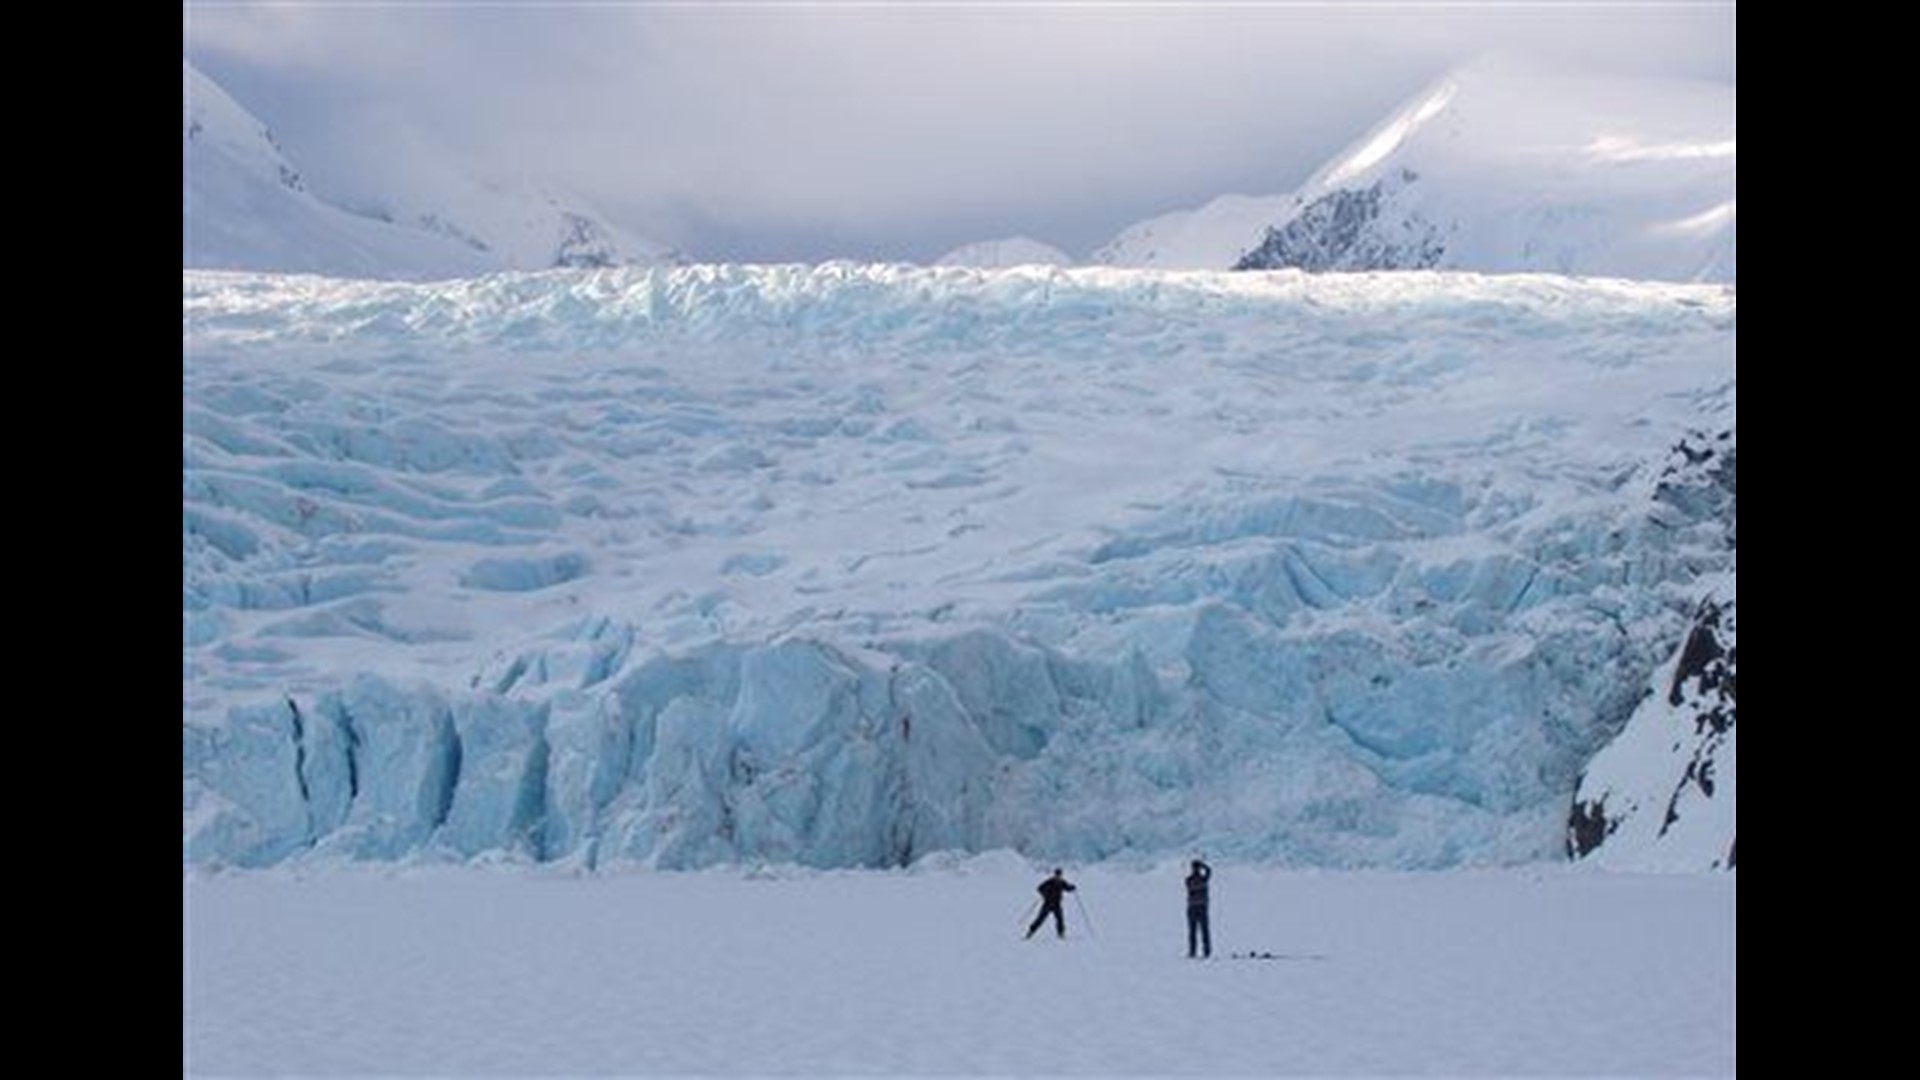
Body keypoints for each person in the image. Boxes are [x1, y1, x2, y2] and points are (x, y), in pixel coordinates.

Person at [1025, 868, 1077, 939]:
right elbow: (1039, 888)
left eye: (1059, 875)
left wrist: (1072, 888)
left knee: (1060, 919)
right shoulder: (1050, 882)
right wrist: (1045, 894)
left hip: (1057, 904)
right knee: (1040, 919)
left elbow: (1067, 888)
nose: (1058, 877)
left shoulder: (1062, 882)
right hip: (1048, 904)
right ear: (1054, 875)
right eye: (1057, 875)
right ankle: (1030, 932)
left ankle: (1061, 934)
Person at [1185, 858, 1212, 958]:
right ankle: (1202, 951)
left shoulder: (1190, 879)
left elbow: (1209, 871)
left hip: (1194, 907)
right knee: (1199, 931)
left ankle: (1196, 951)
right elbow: (1209, 871)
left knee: (1196, 931)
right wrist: (1203, 865)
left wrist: (1202, 865)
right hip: (1199, 907)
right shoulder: (1199, 879)